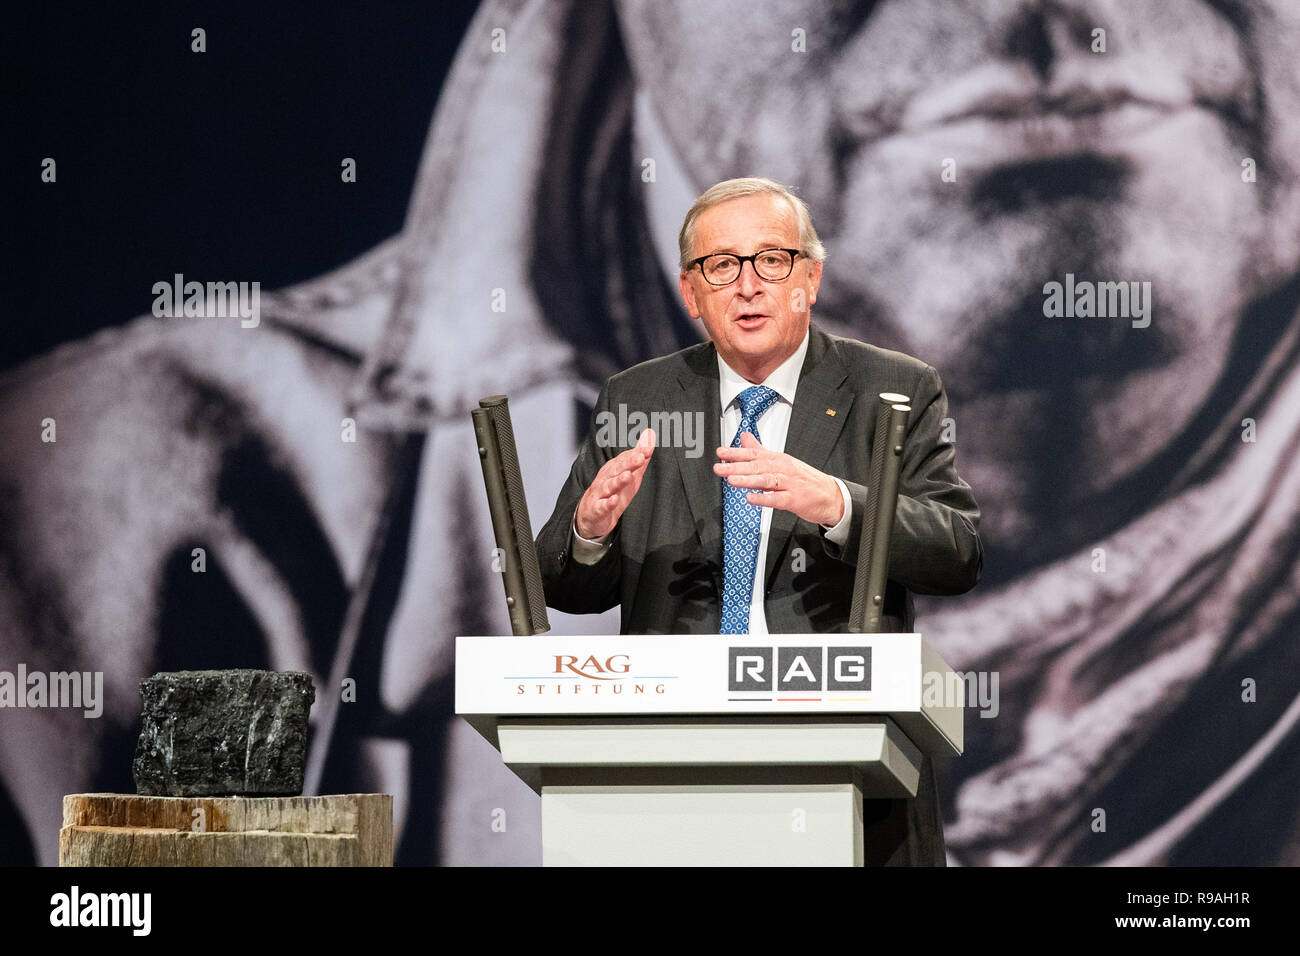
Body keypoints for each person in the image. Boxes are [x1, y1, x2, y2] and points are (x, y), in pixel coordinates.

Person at [535, 177, 982, 865]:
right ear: (691, 293)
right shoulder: (639, 397)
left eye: (771, 259)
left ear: (811, 277)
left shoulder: (893, 389)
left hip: (848, 758)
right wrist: (591, 529)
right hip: (670, 757)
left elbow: (957, 552)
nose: (748, 285)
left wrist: (837, 502)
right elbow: (564, 586)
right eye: (721, 266)